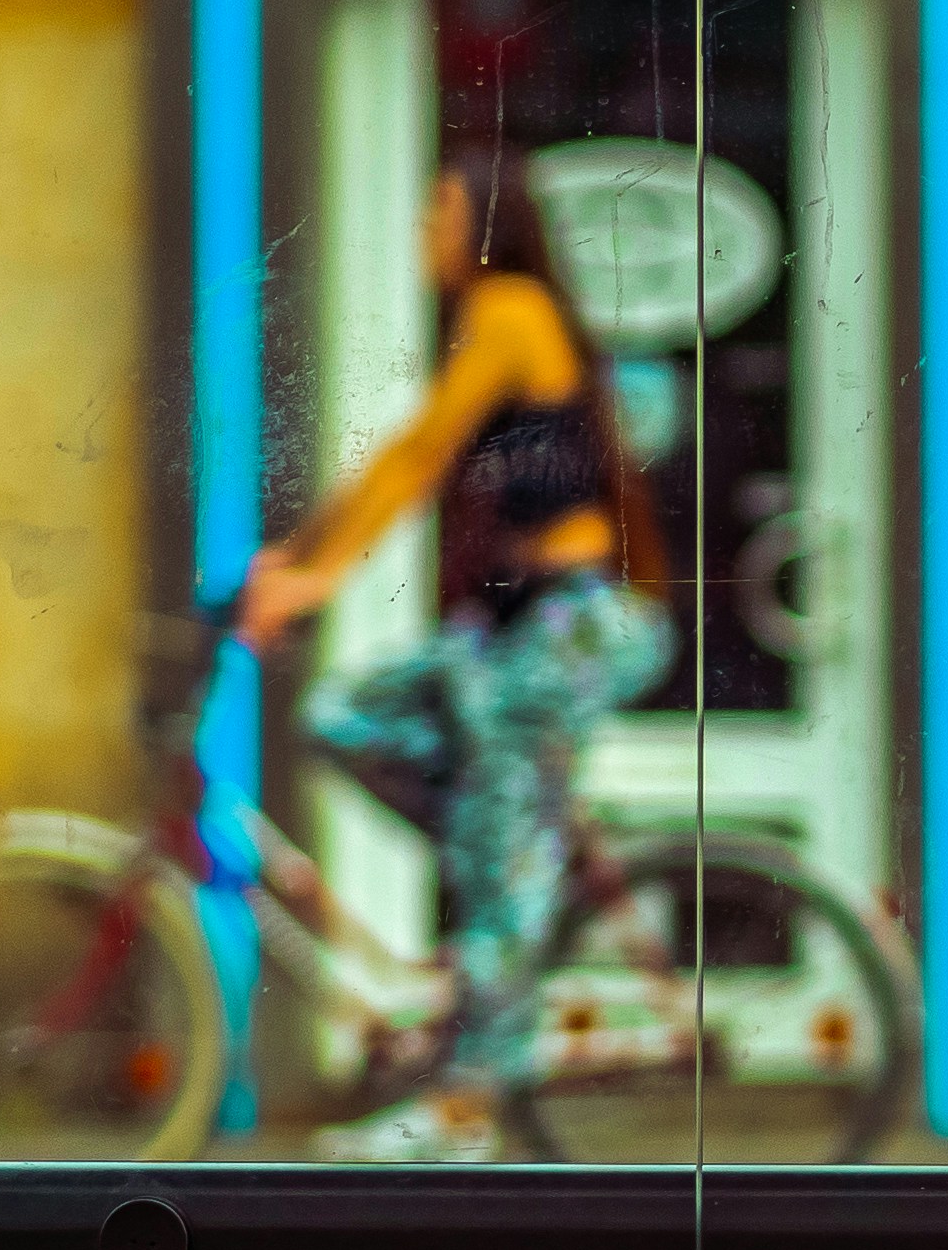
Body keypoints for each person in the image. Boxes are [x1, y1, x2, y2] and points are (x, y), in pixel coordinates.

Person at [225, 139, 675, 1161]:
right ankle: (510, 857)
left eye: (436, 213)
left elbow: (421, 456)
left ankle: (466, 1109)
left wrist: (317, 577)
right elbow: (400, 453)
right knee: (341, 715)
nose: (422, 232)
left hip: (578, 622)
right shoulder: (486, 324)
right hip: (513, 625)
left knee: (497, 828)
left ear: (481, 226)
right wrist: (291, 556)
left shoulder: (509, 309)